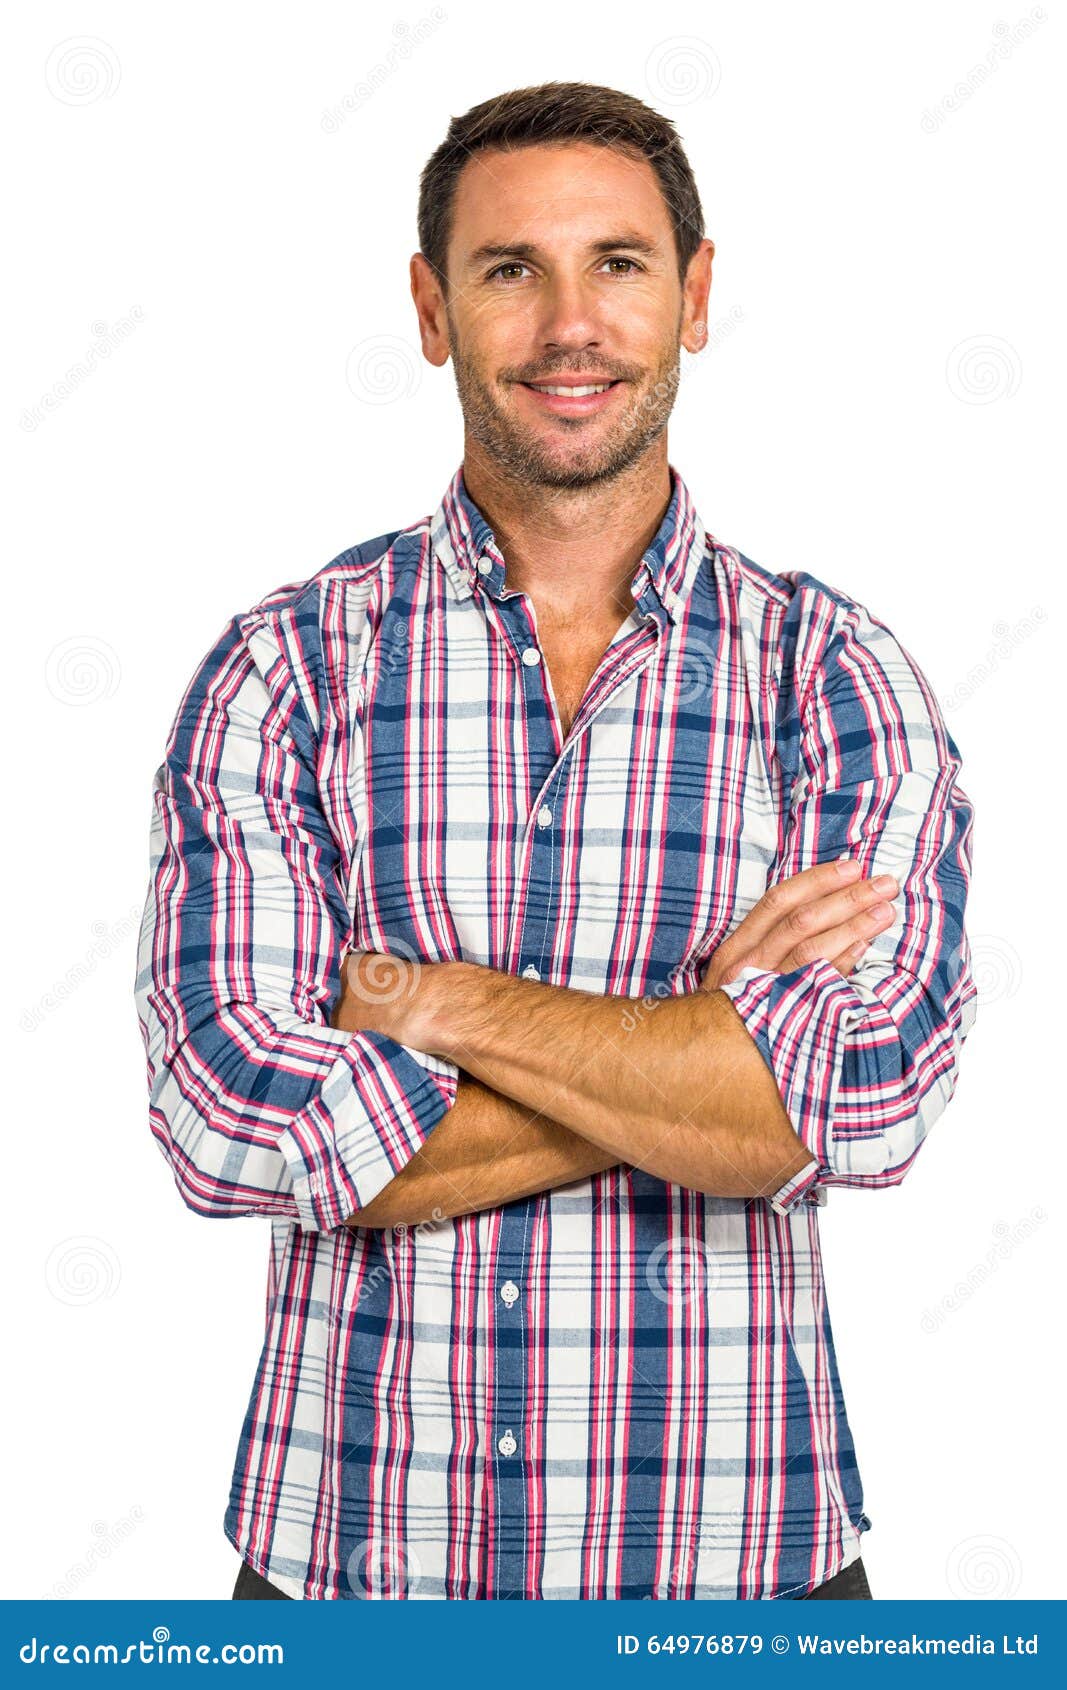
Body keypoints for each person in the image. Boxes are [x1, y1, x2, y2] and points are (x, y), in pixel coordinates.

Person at [133, 81, 977, 1601]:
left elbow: (861, 1102)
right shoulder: (290, 668)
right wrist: (703, 1055)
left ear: (698, 295)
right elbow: (230, 1114)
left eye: (621, 264)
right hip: (352, 1583)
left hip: (744, 1586)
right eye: (511, 269)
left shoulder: (833, 678)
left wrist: (427, 1005)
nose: (569, 324)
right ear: (431, 307)